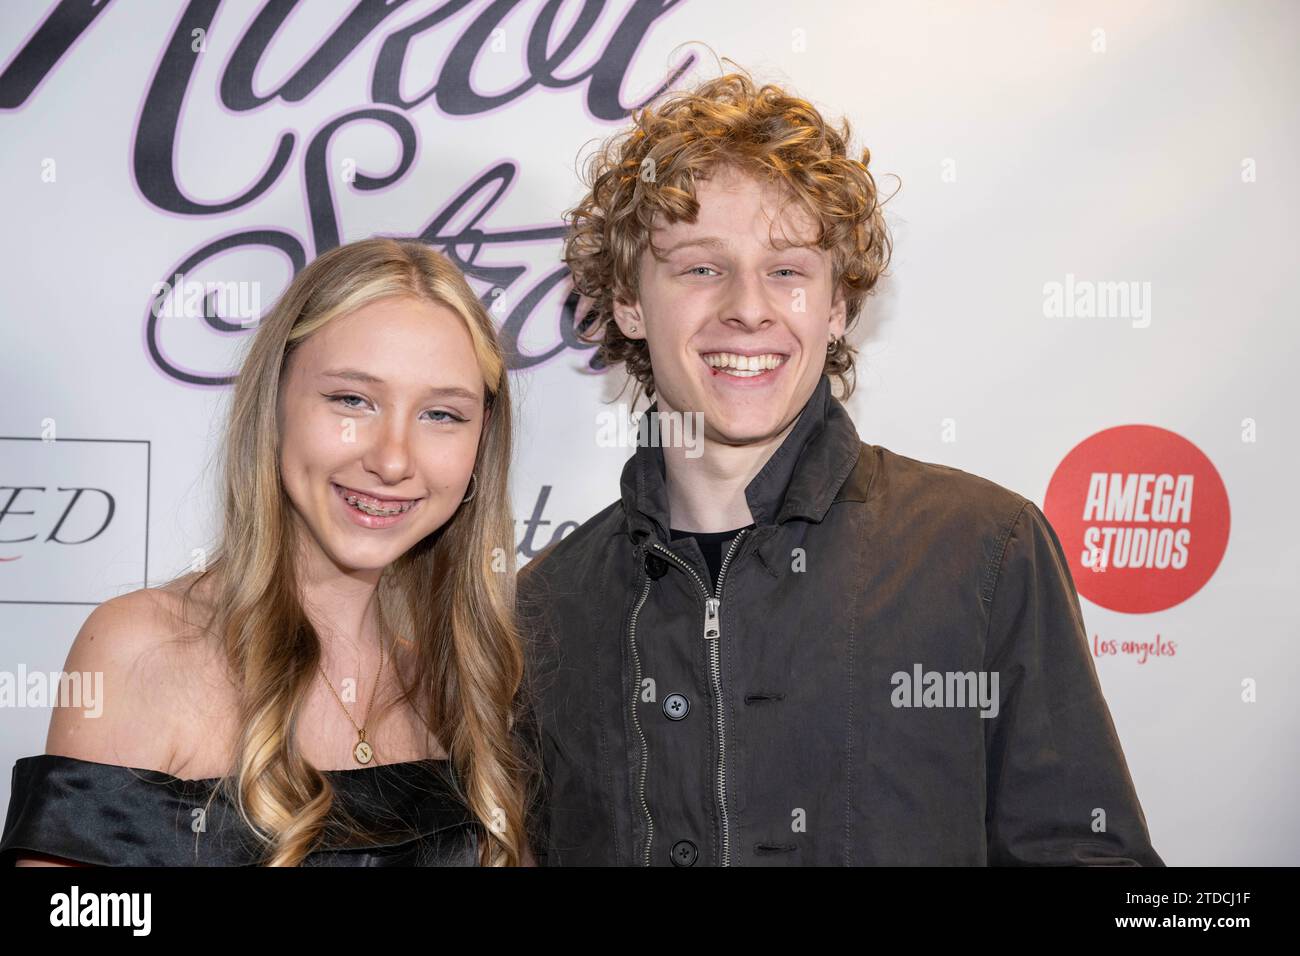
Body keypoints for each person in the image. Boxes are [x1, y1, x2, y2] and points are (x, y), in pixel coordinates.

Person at [517, 71, 1163, 866]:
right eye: (699, 268)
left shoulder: (983, 551)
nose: (748, 307)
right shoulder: (546, 607)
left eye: (787, 270)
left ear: (838, 305)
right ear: (626, 303)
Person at [1, 237, 541, 866]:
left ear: (482, 443)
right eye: (351, 400)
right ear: (276, 404)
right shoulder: (142, 650)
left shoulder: (463, 687)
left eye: (442, 415)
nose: (393, 459)